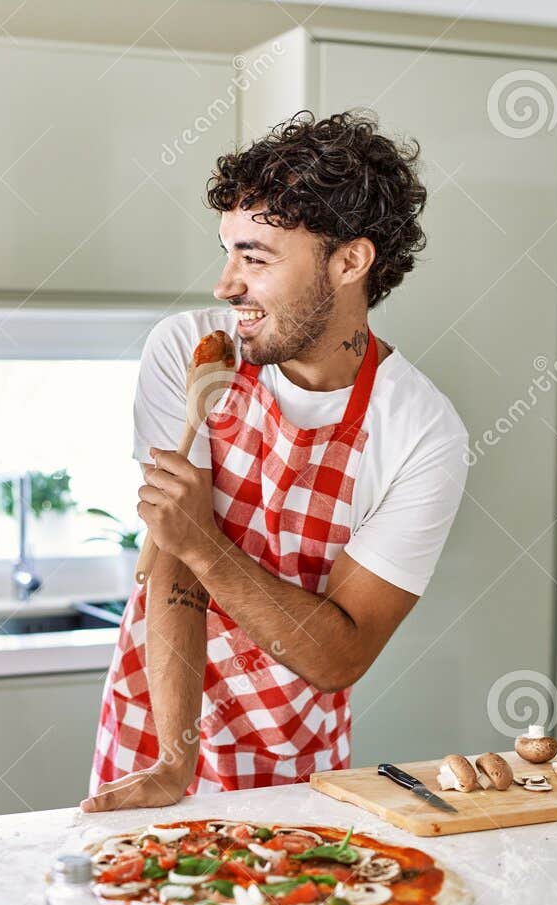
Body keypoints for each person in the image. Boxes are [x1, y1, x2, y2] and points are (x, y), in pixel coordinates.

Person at [85, 111, 468, 812]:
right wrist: (176, 759)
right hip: (157, 729)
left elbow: (339, 654)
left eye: (255, 257)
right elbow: (173, 568)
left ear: (350, 262)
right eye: (229, 251)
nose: (225, 285)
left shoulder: (420, 432)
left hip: (299, 759)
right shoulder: (193, 350)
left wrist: (200, 538)